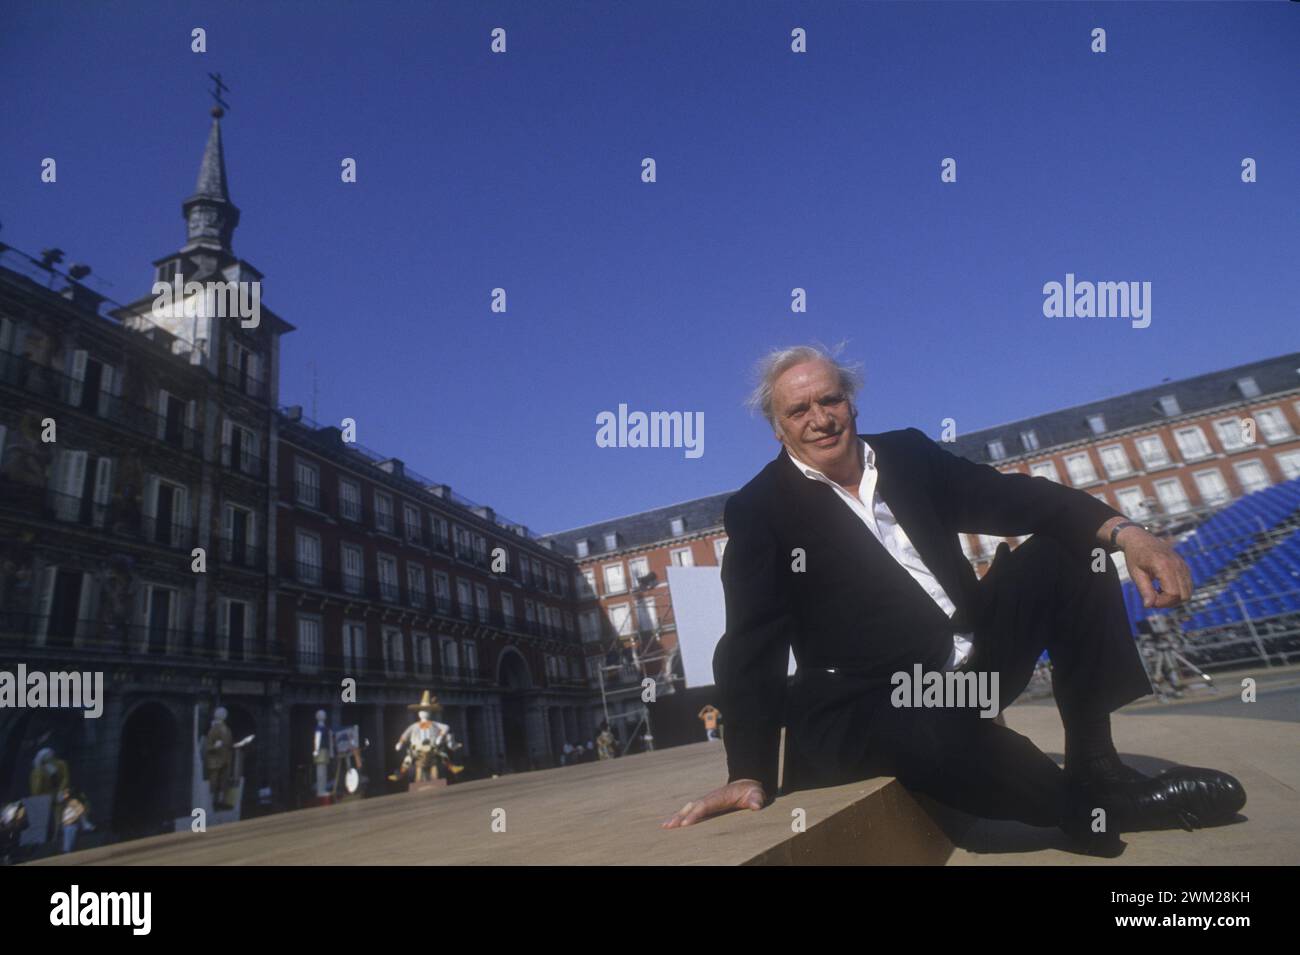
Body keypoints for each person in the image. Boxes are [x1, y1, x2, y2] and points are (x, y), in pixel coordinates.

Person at [662, 345, 1245, 855]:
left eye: (830, 400)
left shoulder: (908, 455)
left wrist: (1127, 534)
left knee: (1068, 551)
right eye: (799, 410)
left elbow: (1013, 497)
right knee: (933, 733)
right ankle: (1088, 808)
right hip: (880, 696)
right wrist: (748, 770)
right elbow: (751, 641)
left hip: (976, 657)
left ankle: (1098, 765)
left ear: (852, 402)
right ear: (778, 428)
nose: (820, 418)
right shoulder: (760, 510)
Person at [202, 706, 234, 809]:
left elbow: (229, 743)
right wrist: (215, 746)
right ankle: (212, 802)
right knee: (214, 783)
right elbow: (207, 746)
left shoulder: (226, 729)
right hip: (215, 761)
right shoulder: (213, 730)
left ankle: (221, 801)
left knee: (224, 782)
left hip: (225, 760)